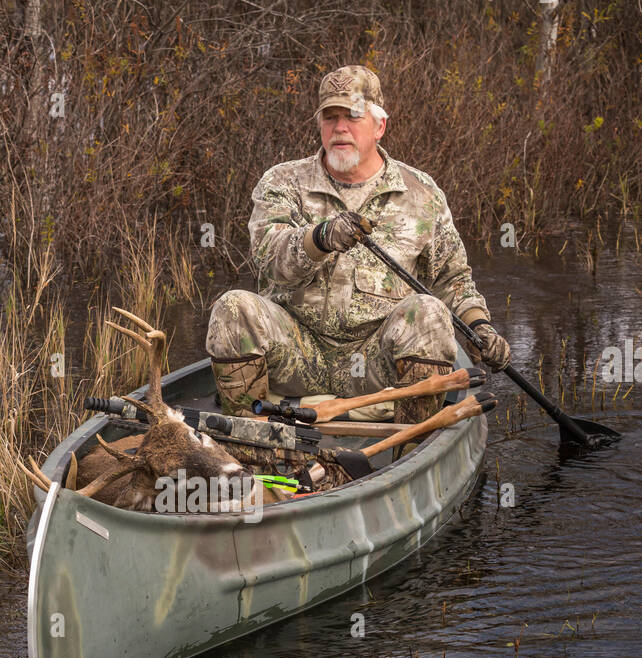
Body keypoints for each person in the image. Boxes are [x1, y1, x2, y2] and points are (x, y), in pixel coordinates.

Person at [206, 64, 510, 424]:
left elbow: (451, 279)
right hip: (295, 356)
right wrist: (319, 238)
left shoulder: (422, 193)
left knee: (429, 313)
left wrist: (479, 328)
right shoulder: (283, 181)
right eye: (330, 117)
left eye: (352, 115)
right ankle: (248, 443)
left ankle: (410, 456)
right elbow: (269, 259)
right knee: (233, 306)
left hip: (377, 362)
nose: (339, 128)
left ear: (379, 126)